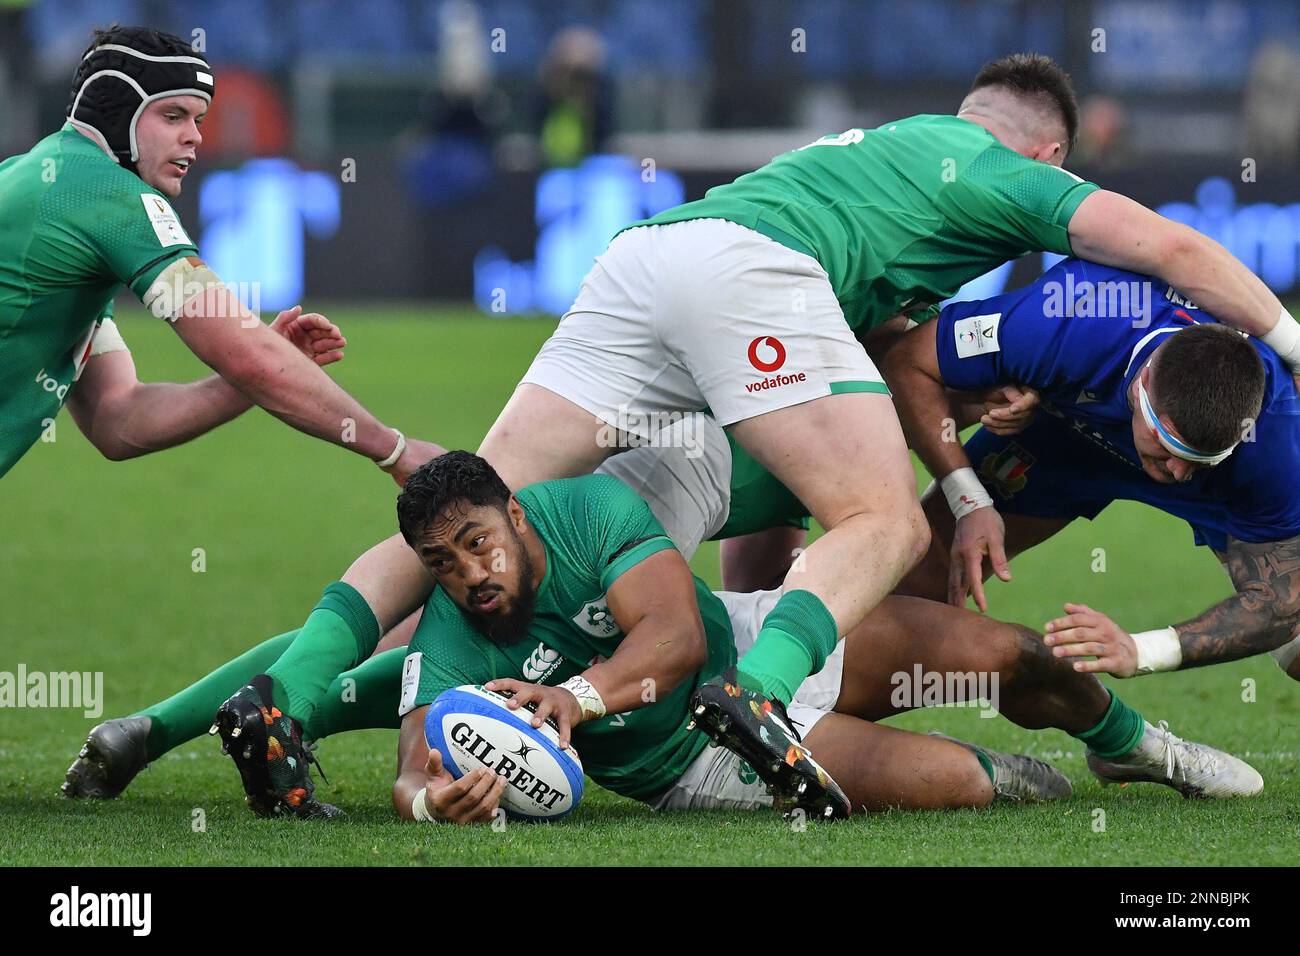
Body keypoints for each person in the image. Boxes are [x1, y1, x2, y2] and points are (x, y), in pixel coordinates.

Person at [257, 52, 1300, 812]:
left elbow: (894, 337)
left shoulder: (889, 157)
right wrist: (1290, 337)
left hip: (647, 262)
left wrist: (973, 466)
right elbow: (1171, 246)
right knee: (881, 520)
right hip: (746, 276)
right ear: (1048, 153)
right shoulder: (1009, 177)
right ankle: (752, 696)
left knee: (473, 506)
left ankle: (285, 697)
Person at [66, 453, 1261, 819]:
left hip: (753, 650)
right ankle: (1030, 774)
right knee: (968, 784)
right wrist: (440, 801)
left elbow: (680, 634)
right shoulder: (450, 627)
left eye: (480, 544)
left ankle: (1137, 743)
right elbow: (416, 757)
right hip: (706, 759)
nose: (472, 575)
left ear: (517, 516)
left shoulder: (590, 510)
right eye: (444, 564)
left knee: (1013, 657)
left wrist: (576, 700)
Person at [0, 26, 438, 481]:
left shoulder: (38, 176)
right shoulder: (107, 196)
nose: (195, 137)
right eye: (173, 116)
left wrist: (253, 378)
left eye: (198, 120)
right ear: (116, 113)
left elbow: (117, 418)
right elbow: (246, 355)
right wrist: (396, 451)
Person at [877, 256, 1300, 684]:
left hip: (1218, 488)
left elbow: (1281, 602)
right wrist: (968, 498)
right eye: (1166, 442)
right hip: (1066, 433)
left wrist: (1142, 650)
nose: (1177, 469)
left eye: (1199, 457)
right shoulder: (1068, 317)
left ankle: (1144, 746)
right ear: (1142, 383)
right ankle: (821, 718)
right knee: (920, 574)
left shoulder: (1273, 431)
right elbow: (908, 363)